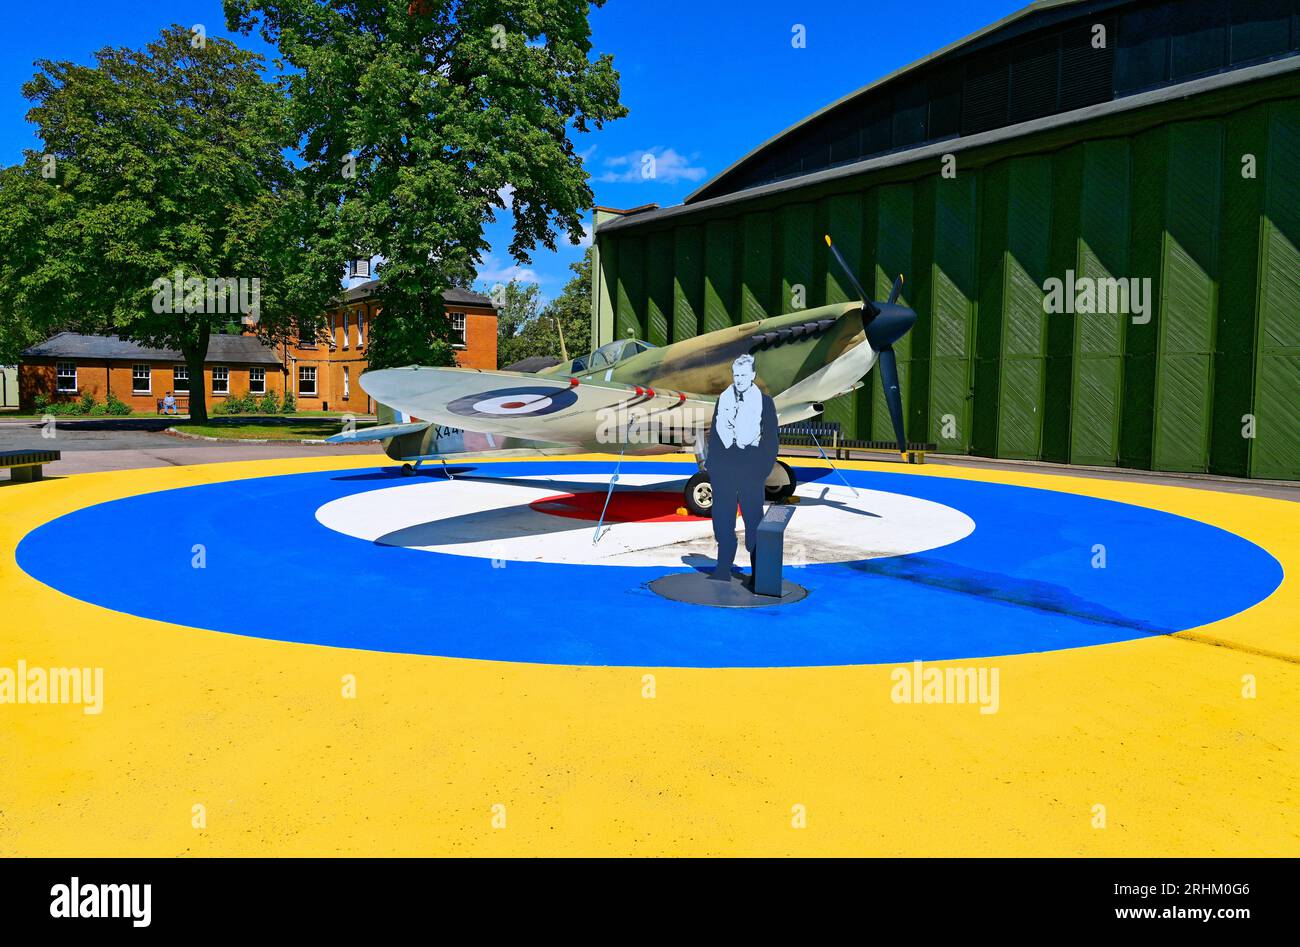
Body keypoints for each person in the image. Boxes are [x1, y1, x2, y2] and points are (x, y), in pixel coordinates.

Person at [705, 354, 778, 581]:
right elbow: (716, 435)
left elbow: (771, 440)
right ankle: (723, 568)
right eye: (736, 375)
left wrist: (762, 470)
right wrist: (713, 466)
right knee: (722, 521)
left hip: (750, 468)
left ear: (753, 375)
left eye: (744, 375)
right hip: (724, 469)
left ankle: (759, 573)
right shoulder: (723, 399)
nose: (739, 380)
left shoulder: (765, 402)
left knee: (753, 522)